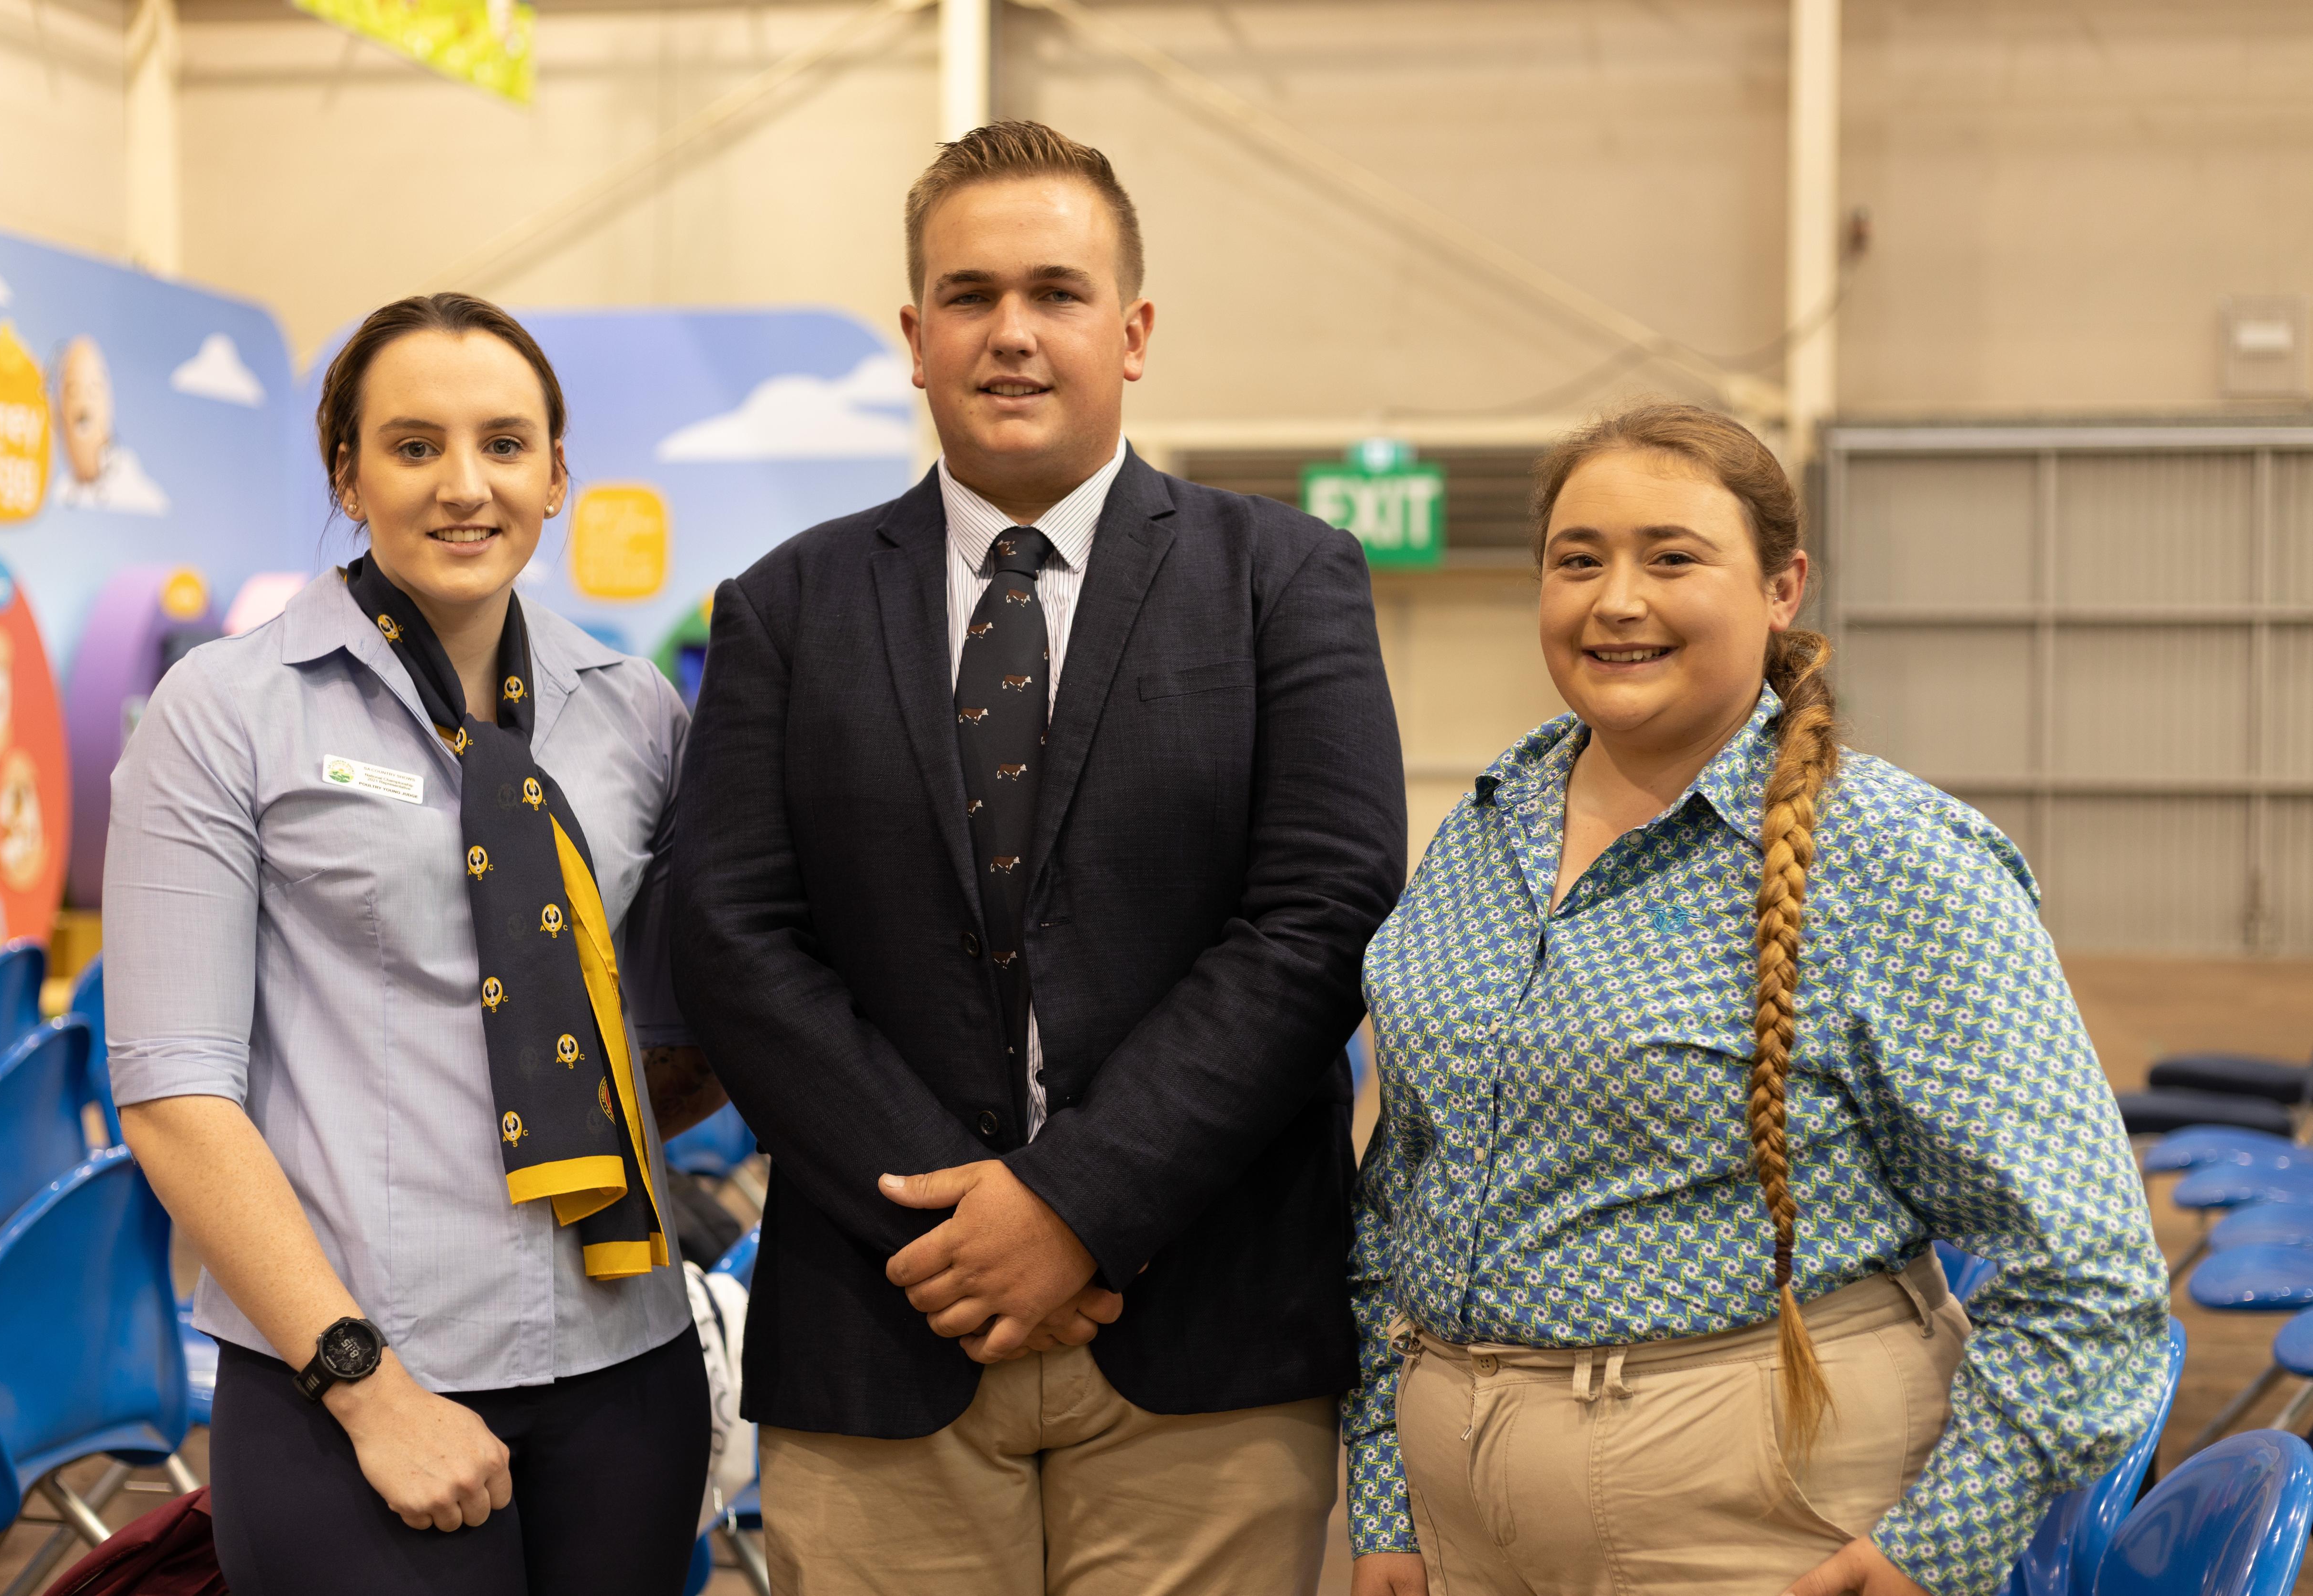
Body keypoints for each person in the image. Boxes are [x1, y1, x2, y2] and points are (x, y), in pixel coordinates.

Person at [668, 120, 1406, 1595]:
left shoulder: (1286, 579)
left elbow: (1319, 915)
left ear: (1131, 332)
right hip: (885, 1336)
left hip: (1205, 1337)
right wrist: (958, 1228)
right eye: (970, 295)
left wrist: (1076, 1205)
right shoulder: (783, 607)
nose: (1012, 332)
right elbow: (734, 932)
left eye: (1057, 293)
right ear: (916, 335)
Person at [1344, 403, 2167, 1596]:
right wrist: (1385, 1497)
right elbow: (1396, 1193)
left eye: (1671, 556)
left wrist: (1927, 1552)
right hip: (1460, 1520)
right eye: (1578, 559)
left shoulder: (1894, 860)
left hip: (1768, 1528)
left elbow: (2088, 1269)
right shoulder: (1483, 833)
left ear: (1782, 587)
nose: (1615, 599)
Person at [106, 292, 727, 1596]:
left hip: (626, 1365)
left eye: (505, 444)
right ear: (347, 472)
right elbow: (173, 1093)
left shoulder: (634, 714)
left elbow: (685, 1020)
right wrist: (366, 1384)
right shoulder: (224, 713)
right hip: (355, 1380)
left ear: (559, 474)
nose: (465, 485)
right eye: (413, 445)